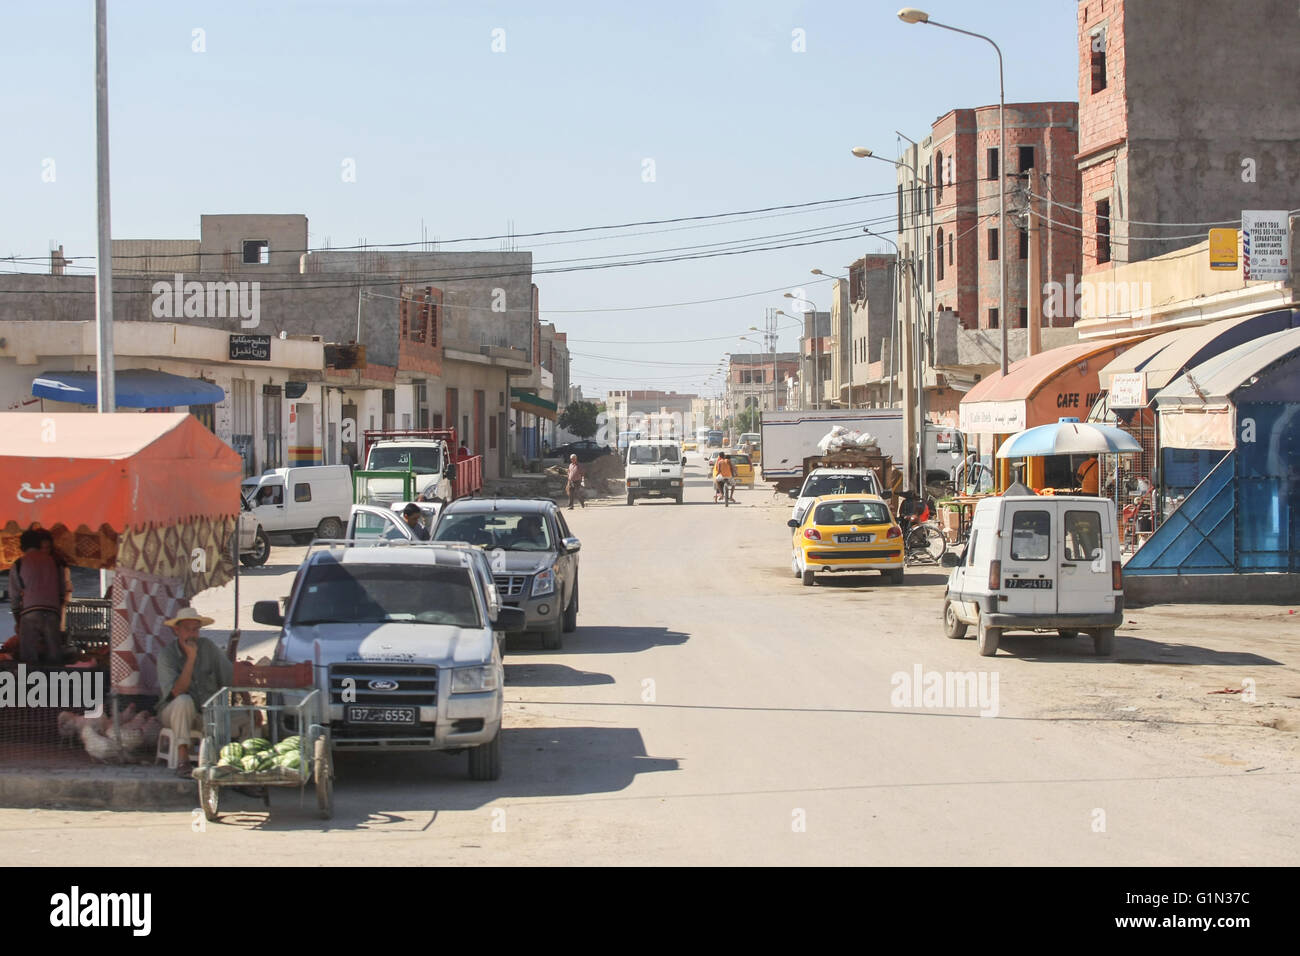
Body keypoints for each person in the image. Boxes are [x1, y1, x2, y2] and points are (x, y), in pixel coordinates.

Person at [156, 607, 234, 777]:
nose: (192, 634)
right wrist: (191, 658)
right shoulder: (166, 655)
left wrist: (249, 702)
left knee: (246, 719)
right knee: (183, 701)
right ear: (176, 631)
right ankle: (183, 759)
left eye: (195, 629)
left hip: (206, 713)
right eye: (187, 629)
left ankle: (239, 768)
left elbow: (230, 678)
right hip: (174, 712)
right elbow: (177, 691)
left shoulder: (208, 647)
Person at [8, 529, 69, 665]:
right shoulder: (56, 562)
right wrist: (57, 609)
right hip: (52, 612)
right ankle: (56, 682)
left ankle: (31, 683)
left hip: (30, 613)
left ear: (22, 546)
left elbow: (14, 595)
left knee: (29, 658)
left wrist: (18, 619)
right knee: (54, 656)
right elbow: (62, 591)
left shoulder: (19, 563)